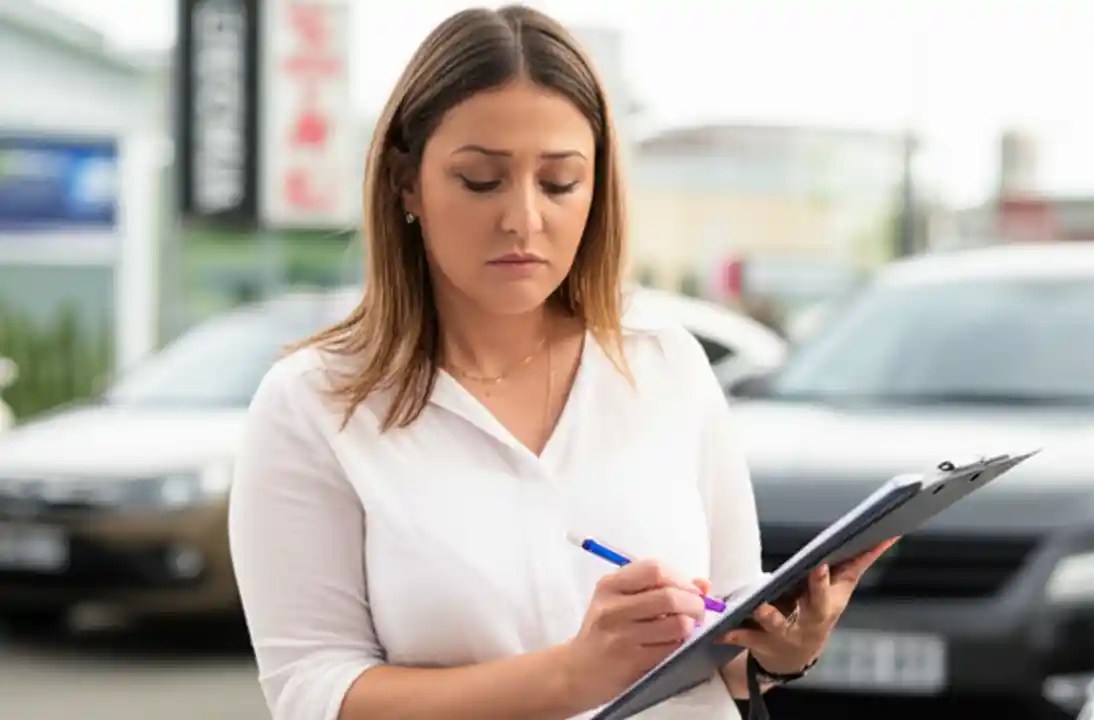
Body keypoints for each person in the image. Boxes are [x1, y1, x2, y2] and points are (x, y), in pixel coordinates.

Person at [227, 5, 894, 719]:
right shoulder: (314, 403)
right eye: (481, 180)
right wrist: (571, 676)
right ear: (405, 183)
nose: (523, 218)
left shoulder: (665, 363)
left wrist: (782, 650)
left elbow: (724, 637)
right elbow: (312, 694)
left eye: (559, 182)